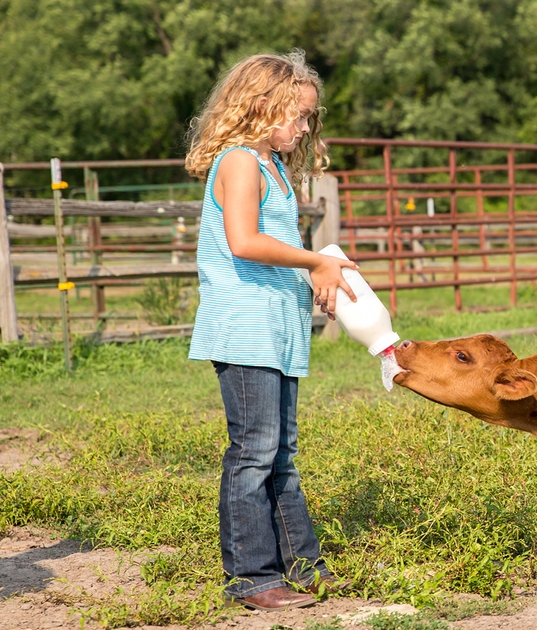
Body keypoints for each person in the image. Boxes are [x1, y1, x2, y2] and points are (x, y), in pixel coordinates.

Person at [184, 50, 356, 612]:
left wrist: (316, 274)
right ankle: (252, 577)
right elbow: (243, 241)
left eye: (309, 116)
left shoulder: (274, 167)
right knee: (254, 452)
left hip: (276, 328)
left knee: (281, 453)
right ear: (261, 106)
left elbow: (274, 247)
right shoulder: (239, 162)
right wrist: (316, 260)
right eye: (299, 114)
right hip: (245, 327)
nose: (305, 127)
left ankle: (303, 566)